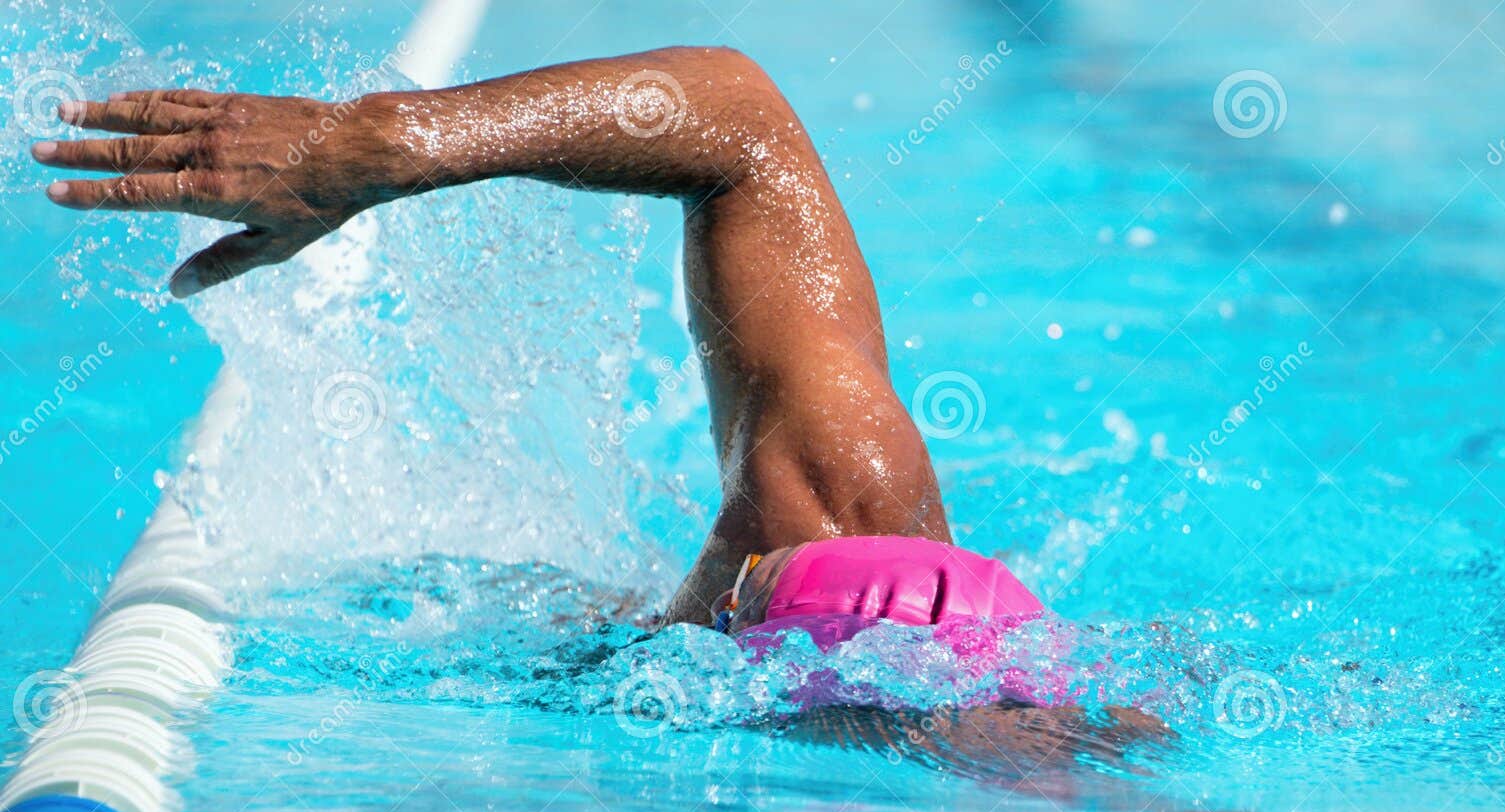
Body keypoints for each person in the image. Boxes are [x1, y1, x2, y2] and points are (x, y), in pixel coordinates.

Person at [30, 45, 1044, 641]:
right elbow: (740, 122)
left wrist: (388, 147)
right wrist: (381, 144)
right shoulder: (838, 514)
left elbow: (743, 128)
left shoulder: (830, 545)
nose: (740, 571)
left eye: (744, 590)